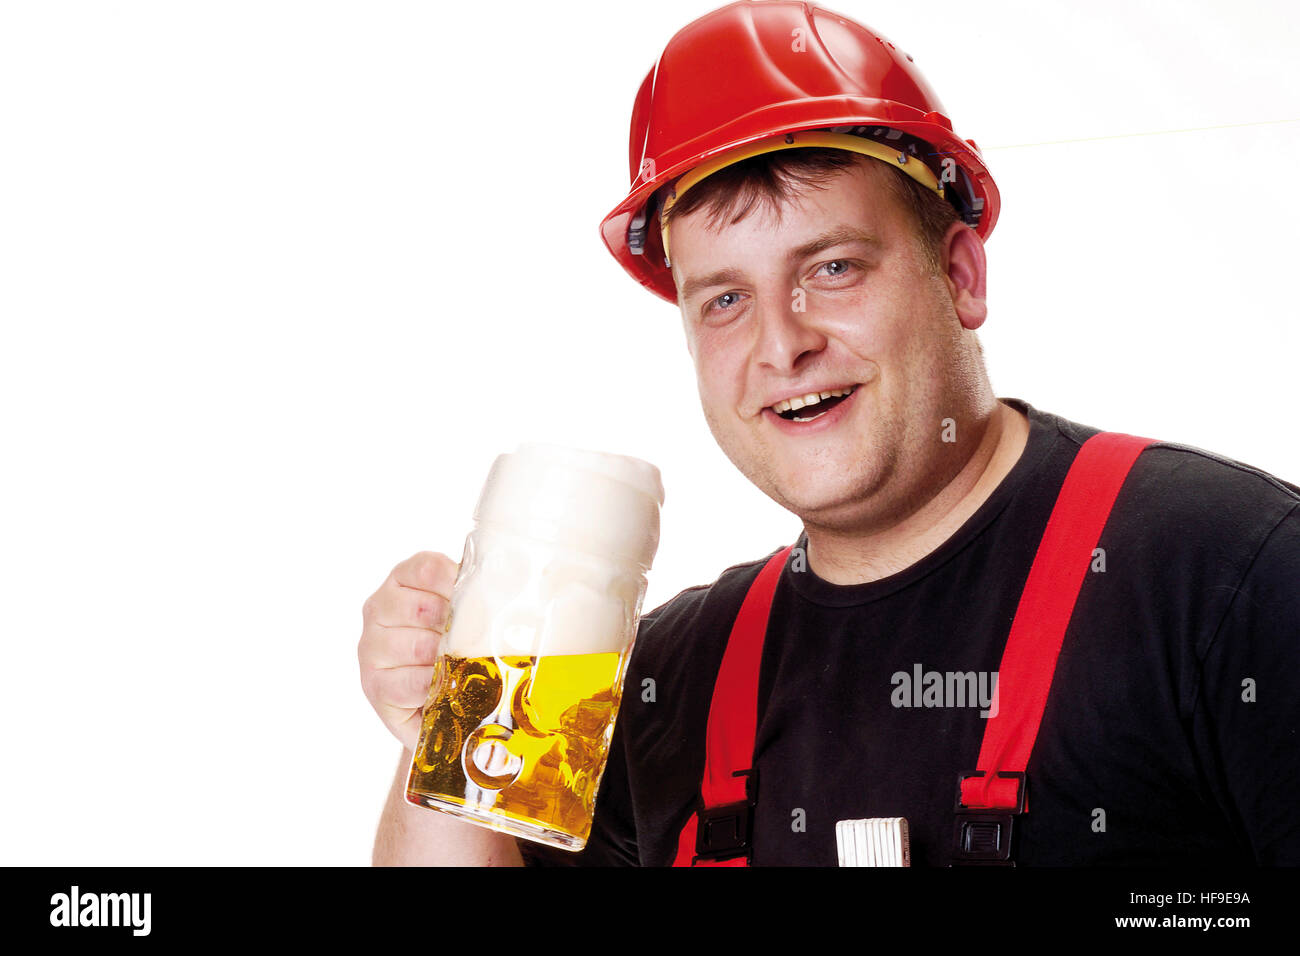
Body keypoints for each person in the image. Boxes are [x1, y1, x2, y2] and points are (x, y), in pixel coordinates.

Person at [358, 0, 1300, 866]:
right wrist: (447, 724)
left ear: (961, 274)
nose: (783, 343)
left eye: (835, 267)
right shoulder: (667, 679)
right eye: (725, 299)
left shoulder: (1231, 580)